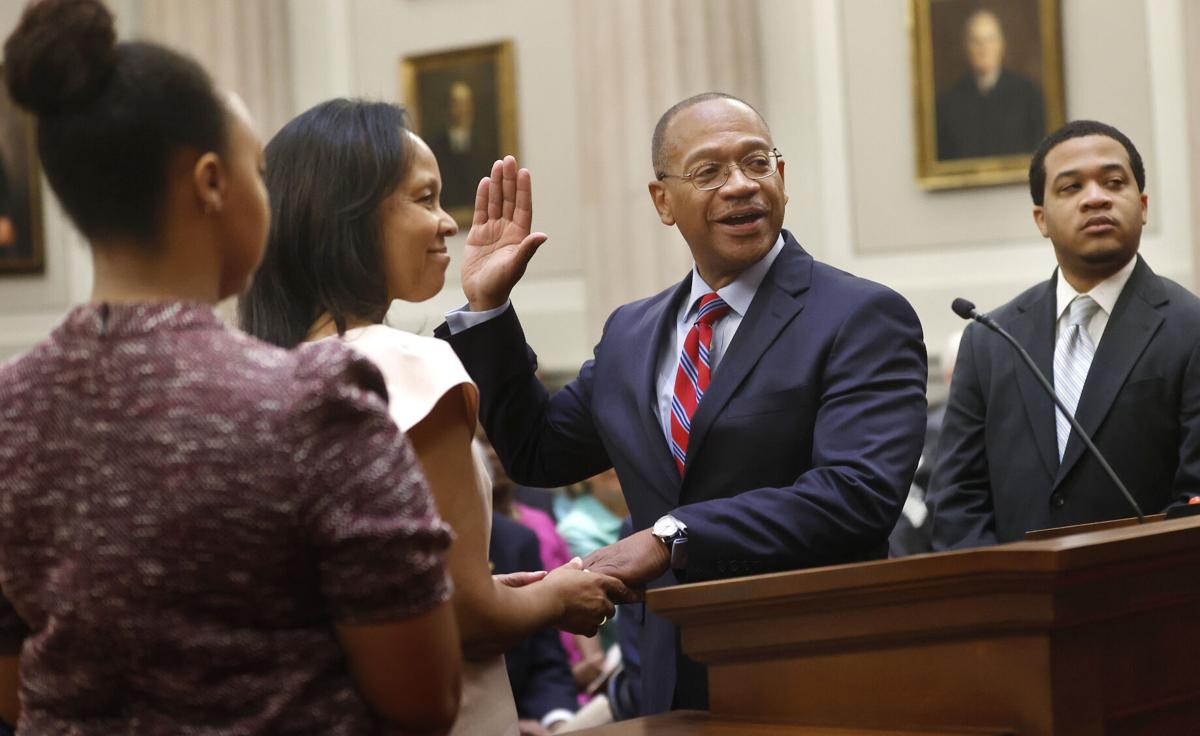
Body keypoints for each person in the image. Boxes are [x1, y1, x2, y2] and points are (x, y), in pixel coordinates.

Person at [0, 1, 462, 733]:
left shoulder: (8, 411)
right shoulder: (314, 399)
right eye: (258, 171)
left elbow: (12, 684)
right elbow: (423, 696)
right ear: (213, 184)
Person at [437, 92, 928, 714]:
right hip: (669, 676)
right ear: (663, 201)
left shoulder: (859, 316)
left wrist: (670, 537)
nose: (741, 186)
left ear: (783, 177)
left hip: (812, 668)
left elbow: (857, 495)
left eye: (757, 163)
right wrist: (488, 310)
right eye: (709, 172)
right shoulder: (632, 333)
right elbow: (537, 452)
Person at [239, 97, 629, 736]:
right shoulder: (407, 363)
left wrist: (505, 590)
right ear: (351, 217)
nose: (447, 223)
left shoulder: (257, 373)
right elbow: (464, 618)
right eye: (424, 199)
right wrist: (557, 596)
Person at [928, 120, 1200, 549]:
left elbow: (1194, 496)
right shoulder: (992, 339)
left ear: (1143, 205)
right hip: (1015, 603)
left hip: (1149, 599)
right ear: (1041, 219)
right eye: (1071, 188)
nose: (1096, 198)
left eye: (1113, 182)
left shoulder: (1190, 327)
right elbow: (956, 497)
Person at [936, 8, 1045, 160]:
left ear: (1002, 45)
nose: (984, 48)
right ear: (965, 47)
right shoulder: (947, 104)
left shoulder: (1028, 95)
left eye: (990, 40)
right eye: (976, 41)